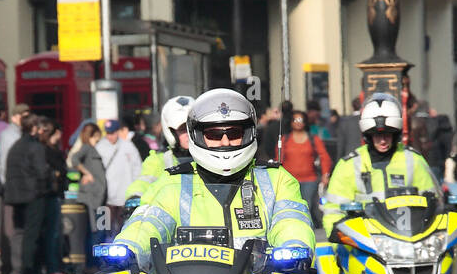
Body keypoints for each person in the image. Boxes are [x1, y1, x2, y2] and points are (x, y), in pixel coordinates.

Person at [112, 87, 314, 262]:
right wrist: (128, 247)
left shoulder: (275, 179)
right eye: (214, 135)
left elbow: (291, 220)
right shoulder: (174, 183)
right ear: (198, 136)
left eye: (234, 134)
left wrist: (295, 246)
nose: (225, 142)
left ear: (248, 134)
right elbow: (147, 224)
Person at [321, 93, 441, 235]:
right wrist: (338, 237)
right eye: (377, 135)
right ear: (368, 136)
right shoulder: (349, 165)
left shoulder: (412, 159)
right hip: (363, 243)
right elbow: (333, 211)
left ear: (395, 134)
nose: (383, 140)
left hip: (409, 241)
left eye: (387, 134)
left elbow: (434, 203)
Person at [4, 112, 52, 274]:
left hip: (15, 195)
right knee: (34, 233)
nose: (41, 131)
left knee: (19, 233)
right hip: (33, 194)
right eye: (39, 128)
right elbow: (41, 172)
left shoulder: (16, 146)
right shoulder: (36, 147)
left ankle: (18, 268)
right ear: (33, 129)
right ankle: (30, 269)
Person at [126, 95, 193, 202]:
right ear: (171, 132)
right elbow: (144, 181)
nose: (188, 134)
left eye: (192, 128)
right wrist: (134, 197)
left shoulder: (209, 156)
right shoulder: (161, 160)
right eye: (182, 129)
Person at [280, 110, 333, 229]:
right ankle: (292, 229)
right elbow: (279, 159)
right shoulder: (285, 139)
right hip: (289, 180)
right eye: (295, 120)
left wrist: (325, 174)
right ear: (291, 123)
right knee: (290, 206)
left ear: (305, 122)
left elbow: (324, 156)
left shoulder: (313, 138)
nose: (298, 122)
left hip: (310, 179)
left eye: (301, 120)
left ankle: (307, 230)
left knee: (307, 205)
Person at [0, 102, 29, 274]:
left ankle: (13, 265)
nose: (27, 118)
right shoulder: (9, 135)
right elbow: (5, 165)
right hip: (11, 189)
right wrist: (9, 187)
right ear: (15, 116)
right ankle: (9, 266)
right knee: (10, 230)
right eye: (24, 115)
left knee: (16, 228)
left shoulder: (20, 133)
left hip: (19, 188)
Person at [68, 122, 108, 272]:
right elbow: (74, 159)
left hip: (99, 196)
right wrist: (87, 173)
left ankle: (95, 263)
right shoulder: (87, 148)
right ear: (93, 135)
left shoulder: (92, 149)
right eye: (98, 136)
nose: (99, 139)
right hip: (92, 197)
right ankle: (92, 264)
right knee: (96, 231)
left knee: (101, 229)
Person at [95, 119, 142, 238]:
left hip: (124, 194)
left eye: (112, 133)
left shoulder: (128, 146)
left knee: (123, 226)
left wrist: (135, 188)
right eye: (108, 133)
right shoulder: (100, 147)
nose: (110, 136)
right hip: (107, 195)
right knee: (106, 227)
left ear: (118, 132)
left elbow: (137, 167)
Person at [41, 121, 73, 274]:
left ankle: (57, 266)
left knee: (57, 233)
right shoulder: (47, 151)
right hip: (51, 195)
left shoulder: (55, 149)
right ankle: (53, 267)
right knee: (53, 233)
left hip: (58, 193)